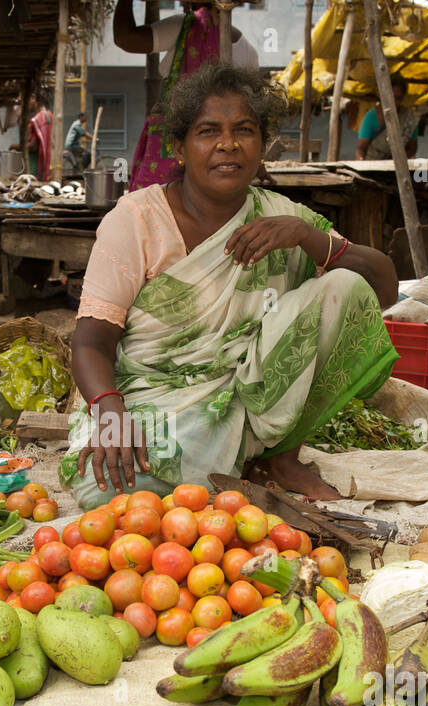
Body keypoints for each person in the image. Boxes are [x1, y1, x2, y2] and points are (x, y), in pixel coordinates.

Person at [61, 64, 399, 507]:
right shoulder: (137, 220)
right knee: (104, 488)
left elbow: (383, 290)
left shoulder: (283, 217)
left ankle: (279, 457)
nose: (228, 144)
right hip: (156, 400)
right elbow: (90, 340)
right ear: (179, 148)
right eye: (208, 131)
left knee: (344, 287)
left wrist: (309, 238)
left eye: (244, 129)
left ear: (261, 144)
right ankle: (232, 463)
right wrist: (109, 412)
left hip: (252, 398)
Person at [114, 1, 260, 191]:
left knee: (160, 209)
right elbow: (253, 116)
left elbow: (126, 38)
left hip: (171, 151)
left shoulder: (184, 28)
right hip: (214, 161)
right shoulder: (248, 51)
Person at [354, 76, 419, 161]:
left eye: (398, 98)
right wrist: (361, 162)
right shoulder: (371, 116)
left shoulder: (408, 118)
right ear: (384, 95)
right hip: (373, 163)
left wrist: (398, 161)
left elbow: (412, 148)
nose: (394, 102)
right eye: (391, 97)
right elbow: (361, 148)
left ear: (403, 97)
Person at [26, 92, 53, 179]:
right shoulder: (49, 116)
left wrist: (18, 146)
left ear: (33, 98)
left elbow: (34, 146)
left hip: (36, 166)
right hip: (48, 167)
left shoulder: (37, 119)